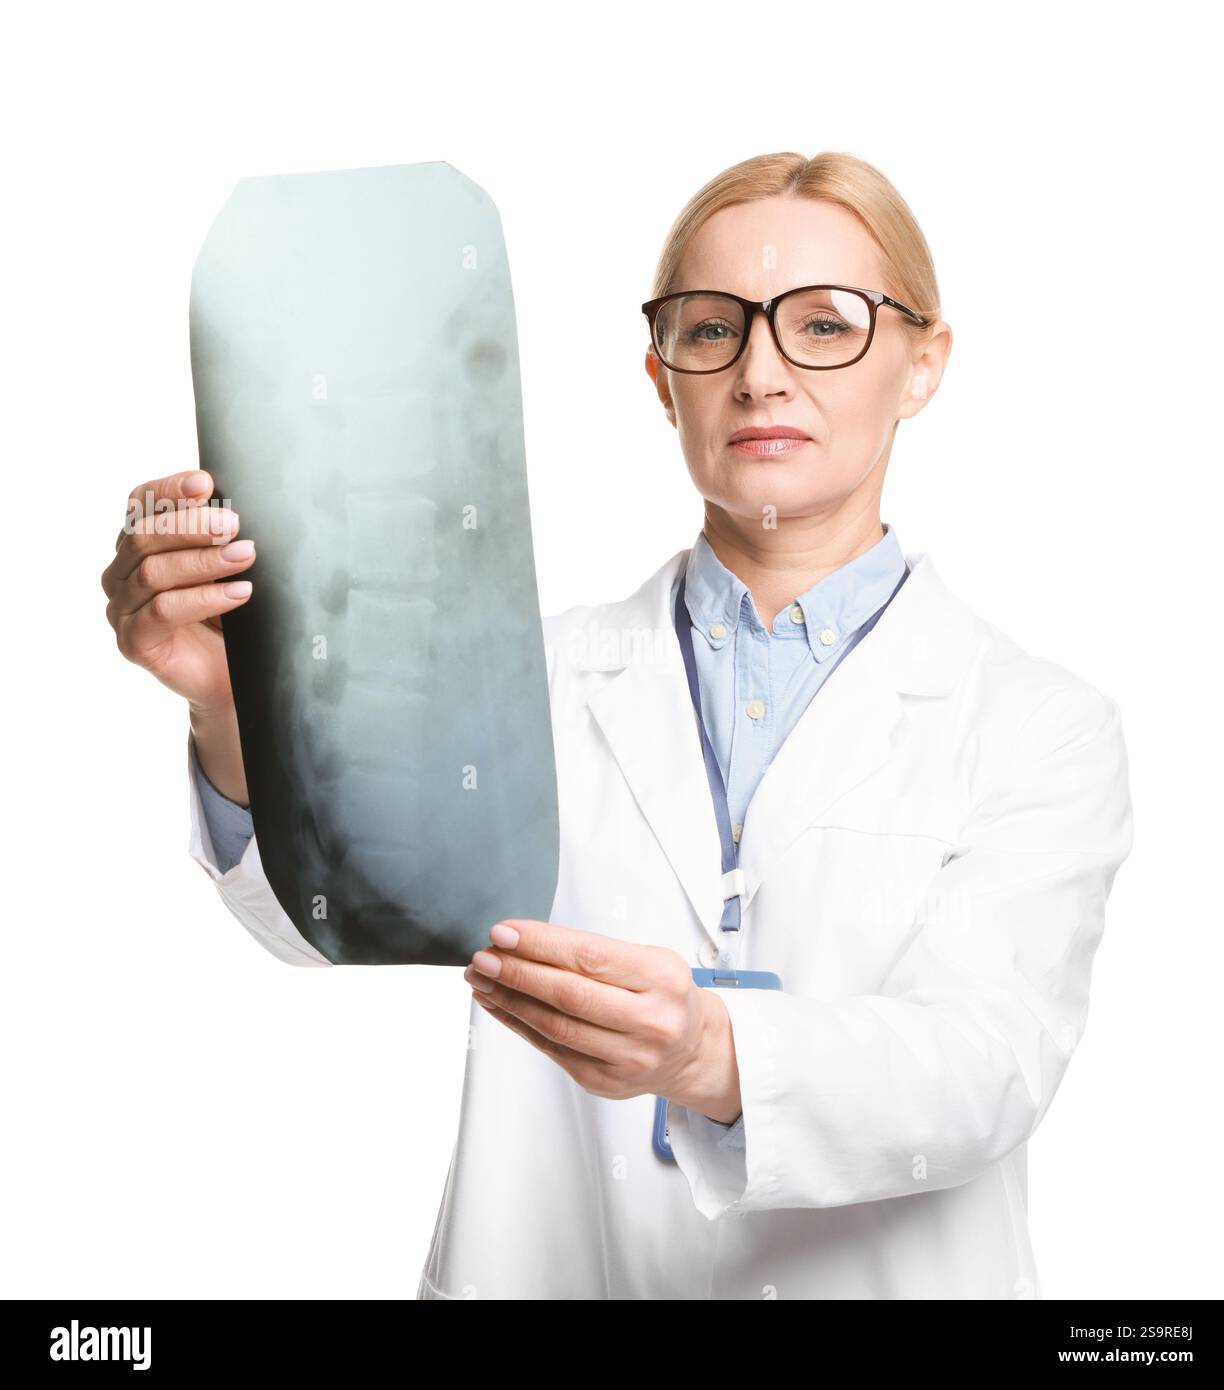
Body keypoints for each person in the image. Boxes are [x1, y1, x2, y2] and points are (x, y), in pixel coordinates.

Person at [101, 150, 1134, 1299]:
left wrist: (710, 1055)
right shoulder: (516, 679)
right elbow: (331, 920)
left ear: (922, 363)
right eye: (710, 329)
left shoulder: (1039, 725)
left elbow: (985, 1067)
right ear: (659, 374)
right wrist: (231, 706)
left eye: (825, 324)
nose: (760, 373)